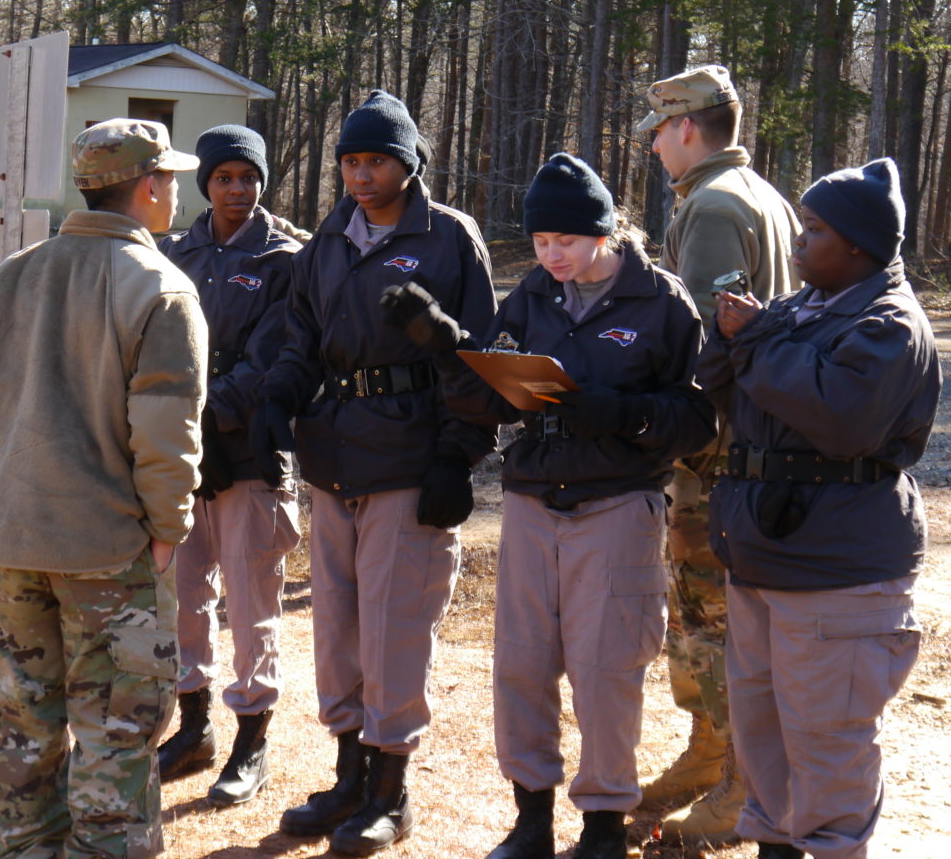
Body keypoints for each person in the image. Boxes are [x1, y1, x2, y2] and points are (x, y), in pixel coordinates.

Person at [384, 153, 716, 859]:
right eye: (540, 242)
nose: (552, 255)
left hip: (618, 505)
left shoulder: (661, 302)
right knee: (523, 667)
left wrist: (622, 414)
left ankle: (601, 825)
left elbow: (699, 419)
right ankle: (530, 819)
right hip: (535, 501)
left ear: (605, 231)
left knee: (606, 669)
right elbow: (490, 394)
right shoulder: (532, 296)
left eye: (566, 241)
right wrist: (447, 346)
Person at [0, 118, 206, 859]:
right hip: (110, 552)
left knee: (20, 733)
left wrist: (8, 483)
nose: (175, 193)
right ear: (150, 188)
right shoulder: (161, 288)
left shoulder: (17, 272)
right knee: (115, 741)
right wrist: (166, 532)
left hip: (15, 540)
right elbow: (166, 435)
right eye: (171, 180)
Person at [251, 90, 497, 855]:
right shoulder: (327, 239)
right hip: (335, 456)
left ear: (408, 164)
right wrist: (278, 400)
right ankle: (348, 777)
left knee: (396, 632)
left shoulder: (450, 239)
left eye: (377, 160)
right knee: (338, 630)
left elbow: (481, 356)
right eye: (351, 161)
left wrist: (458, 455)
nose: (361, 174)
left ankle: (392, 792)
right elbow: (301, 340)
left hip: (412, 456)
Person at [699, 158, 940, 859]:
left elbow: (839, 417)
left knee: (827, 743)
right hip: (764, 559)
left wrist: (759, 340)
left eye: (815, 229)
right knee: (764, 735)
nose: (799, 242)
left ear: (859, 246)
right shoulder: (801, 307)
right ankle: (775, 844)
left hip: (840, 572)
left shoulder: (889, 323)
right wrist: (727, 335)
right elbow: (722, 386)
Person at [635, 64, 801, 843]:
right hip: (752, 439)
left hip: (719, 452)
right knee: (712, 611)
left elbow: (702, 340)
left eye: (660, 132)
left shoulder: (710, 206)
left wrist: (678, 436)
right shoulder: (761, 194)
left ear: (688, 129)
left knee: (711, 613)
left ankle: (740, 780)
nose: (656, 147)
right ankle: (710, 754)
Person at [155, 125, 304, 807]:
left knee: (250, 602)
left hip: (248, 454)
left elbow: (277, 351)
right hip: (182, 455)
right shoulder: (173, 252)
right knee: (184, 596)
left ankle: (251, 741)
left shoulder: (285, 258)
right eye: (224, 178)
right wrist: (180, 429)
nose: (237, 189)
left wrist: (215, 419)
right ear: (204, 183)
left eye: (248, 177)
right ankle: (194, 729)